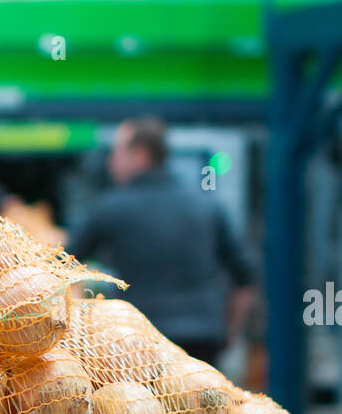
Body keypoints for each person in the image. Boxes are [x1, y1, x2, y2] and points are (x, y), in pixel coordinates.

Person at [68, 118, 256, 364]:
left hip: (138, 343)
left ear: (141, 155)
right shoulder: (208, 206)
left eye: (116, 152)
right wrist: (230, 332)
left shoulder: (109, 208)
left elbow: (62, 265)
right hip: (202, 342)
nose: (109, 162)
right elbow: (245, 276)